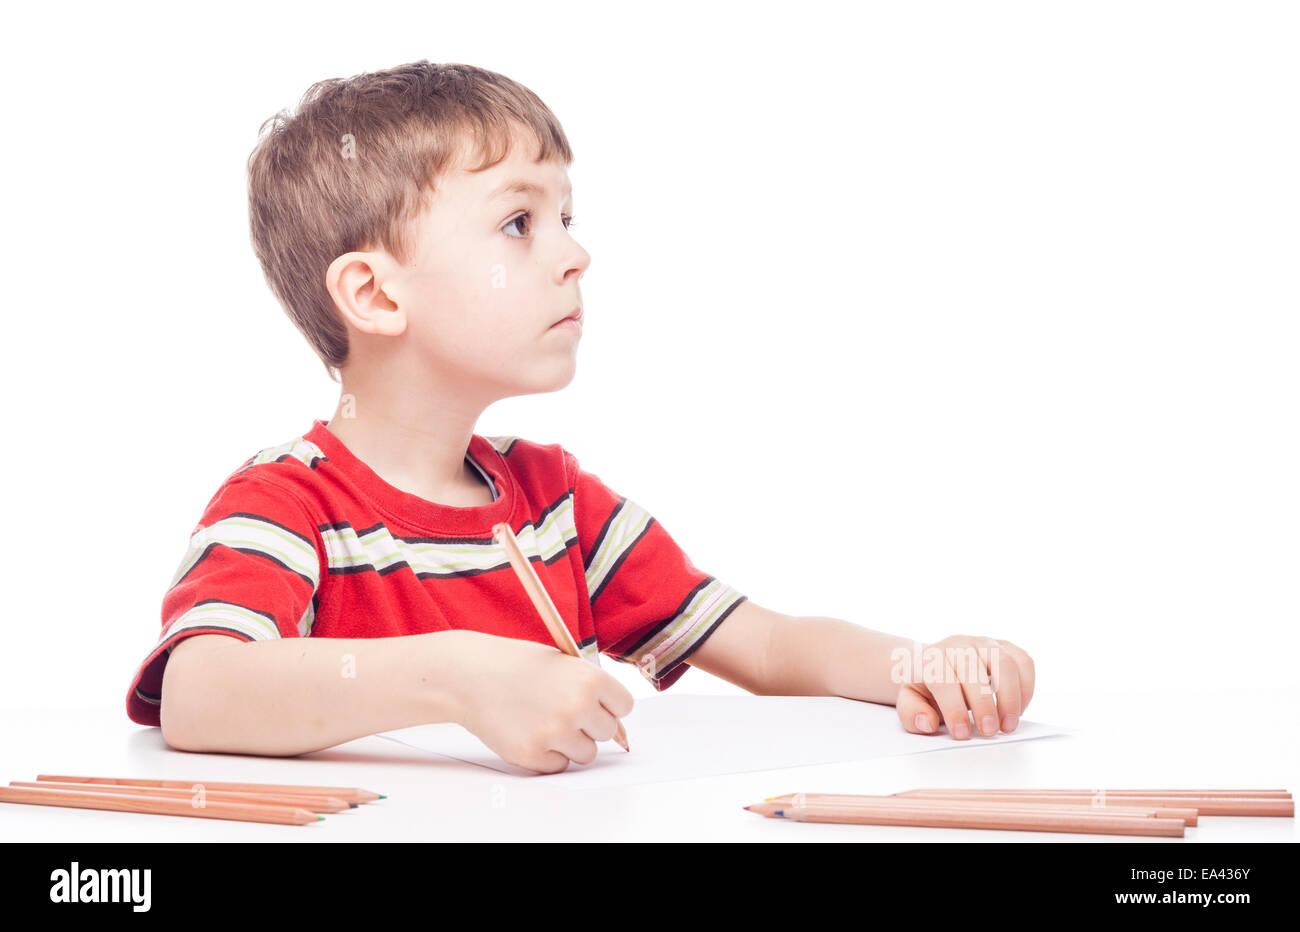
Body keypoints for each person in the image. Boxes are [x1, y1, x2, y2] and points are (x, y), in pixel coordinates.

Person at [125, 61, 1034, 773]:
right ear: (372, 292)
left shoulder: (555, 502)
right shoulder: (287, 504)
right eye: (520, 223)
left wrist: (928, 666)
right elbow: (201, 691)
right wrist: (457, 676)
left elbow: (769, 645)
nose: (578, 255)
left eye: (568, 214)